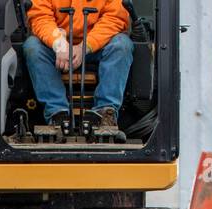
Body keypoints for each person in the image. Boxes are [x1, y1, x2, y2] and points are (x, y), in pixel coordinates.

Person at [23, 0, 132, 135]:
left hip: (98, 45)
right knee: (33, 47)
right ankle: (57, 115)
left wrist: (84, 47)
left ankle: (105, 114)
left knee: (121, 45)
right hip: (56, 46)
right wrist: (59, 44)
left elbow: (114, 18)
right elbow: (40, 16)